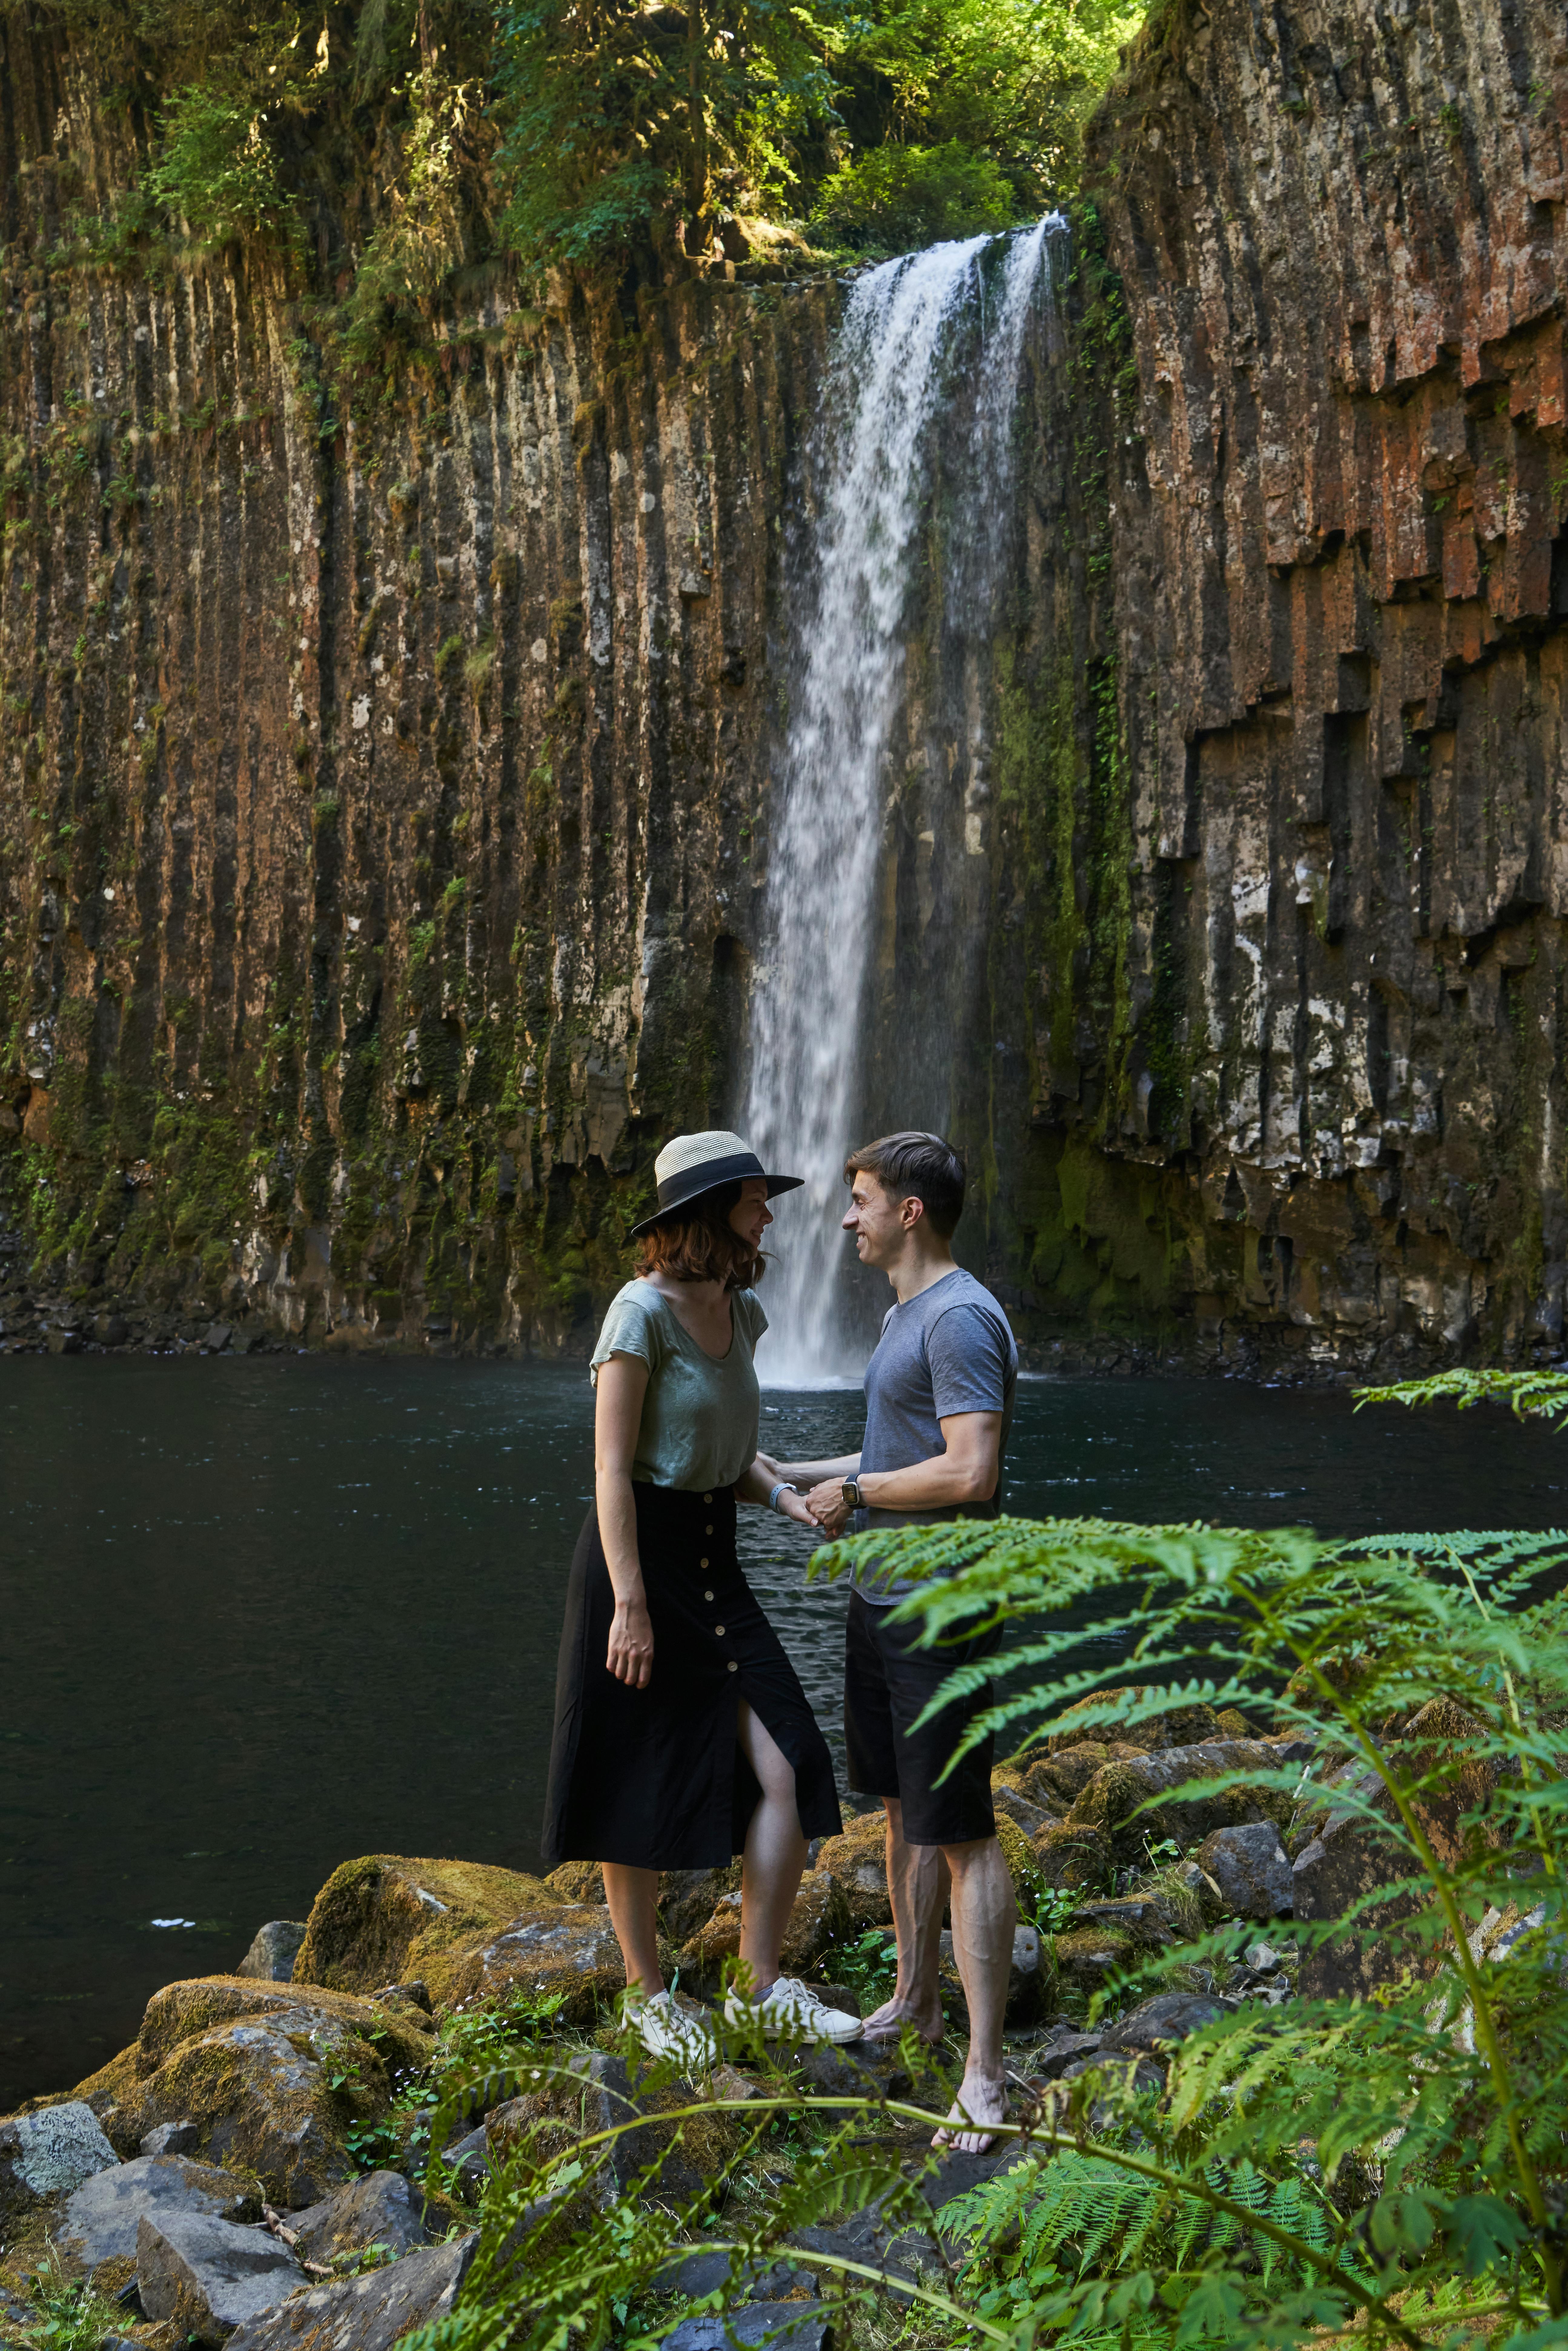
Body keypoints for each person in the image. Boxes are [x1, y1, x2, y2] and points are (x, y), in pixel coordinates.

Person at [542, 1129, 860, 2063]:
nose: (769, 1214)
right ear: (706, 1212)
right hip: (634, 1559)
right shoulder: (636, 1313)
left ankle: (760, 1988)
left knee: (793, 1763)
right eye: (756, 1198)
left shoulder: (742, 1312)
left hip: (716, 1558)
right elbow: (609, 1467)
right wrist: (630, 1604)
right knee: (632, 1768)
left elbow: (733, 1454)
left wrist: (785, 1497)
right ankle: (647, 1993)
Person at [764, 1132, 1019, 2153]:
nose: (845, 1217)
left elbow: (968, 1473)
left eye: (860, 1199)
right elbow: (890, 1452)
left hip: (943, 1607)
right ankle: (915, 2001)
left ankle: (985, 2074)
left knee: (963, 1830)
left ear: (909, 1211)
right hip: (882, 1596)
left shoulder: (958, 1317)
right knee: (898, 1807)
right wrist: (800, 1465)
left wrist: (856, 1490)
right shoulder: (905, 1316)